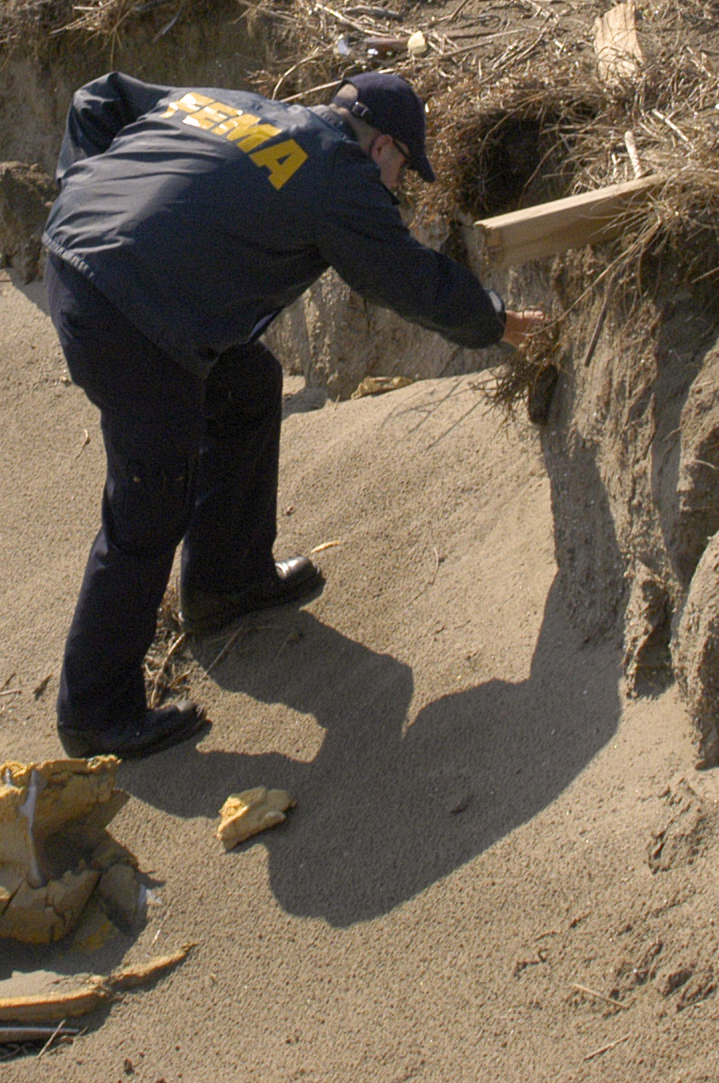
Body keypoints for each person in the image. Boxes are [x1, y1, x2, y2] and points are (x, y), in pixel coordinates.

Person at [38, 70, 546, 760]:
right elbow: (406, 279)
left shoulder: (237, 106)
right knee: (150, 501)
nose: (398, 186)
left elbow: (97, 96)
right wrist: (503, 325)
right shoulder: (339, 176)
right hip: (129, 314)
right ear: (382, 148)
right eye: (404, 169)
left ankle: (225, 581)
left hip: (74, 260)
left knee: (246, 382)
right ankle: (96, 711)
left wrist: (82, 186)